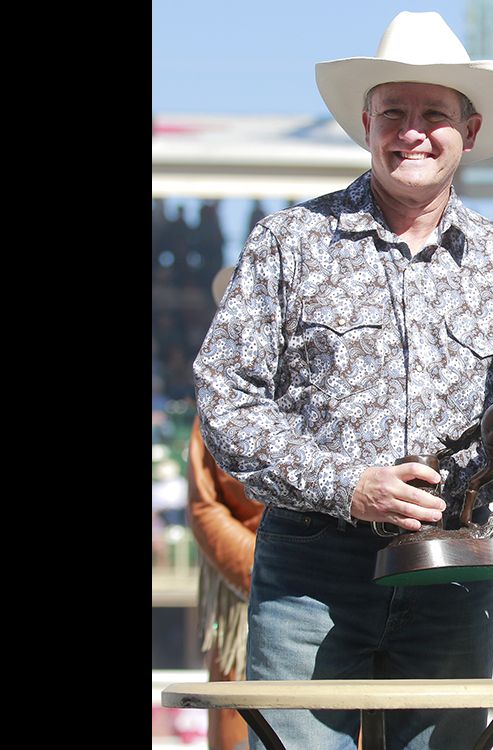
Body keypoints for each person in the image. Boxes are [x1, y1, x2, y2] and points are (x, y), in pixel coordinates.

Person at [193, 12, 493, 749]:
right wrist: (348, 484)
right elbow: (225, 399)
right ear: (367, 124)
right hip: (310, 566)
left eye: (434, 116)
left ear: (470, 132)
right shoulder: (288, 242)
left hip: (455, 563)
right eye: (395, 113)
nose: (413, 131)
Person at [187, 266, 264, 750]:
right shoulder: (215, 412)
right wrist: (265, 570)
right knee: (240, 717)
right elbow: (205, 505)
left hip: (333, 584)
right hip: (241, 597)